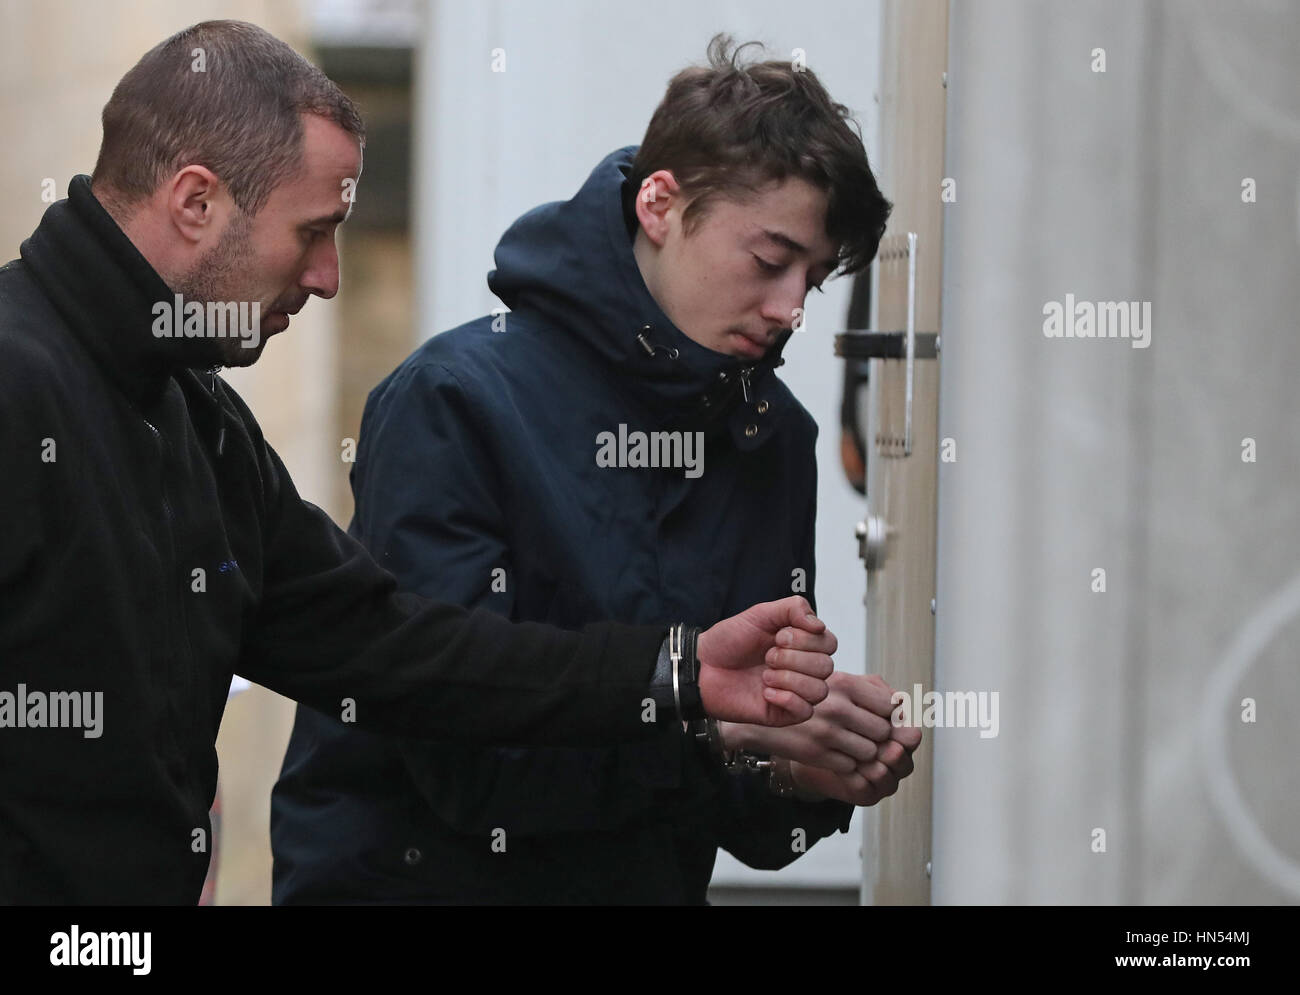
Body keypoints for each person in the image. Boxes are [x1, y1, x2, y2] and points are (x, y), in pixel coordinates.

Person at [0, 21, 837, 905]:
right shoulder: (20, 384)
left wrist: (678, 672)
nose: (328, 277)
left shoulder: (197, 420)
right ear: (196, 201)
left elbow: (393, 644)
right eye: (315, 231)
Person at [271, 36, 921, 905]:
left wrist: (804, 771)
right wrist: (710, 727)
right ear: (660, 203)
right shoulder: (454, 401)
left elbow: (748, 826)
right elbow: (465, 764)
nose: (791, 308)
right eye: (770, 261)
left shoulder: (772, 436)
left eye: (813, 278)